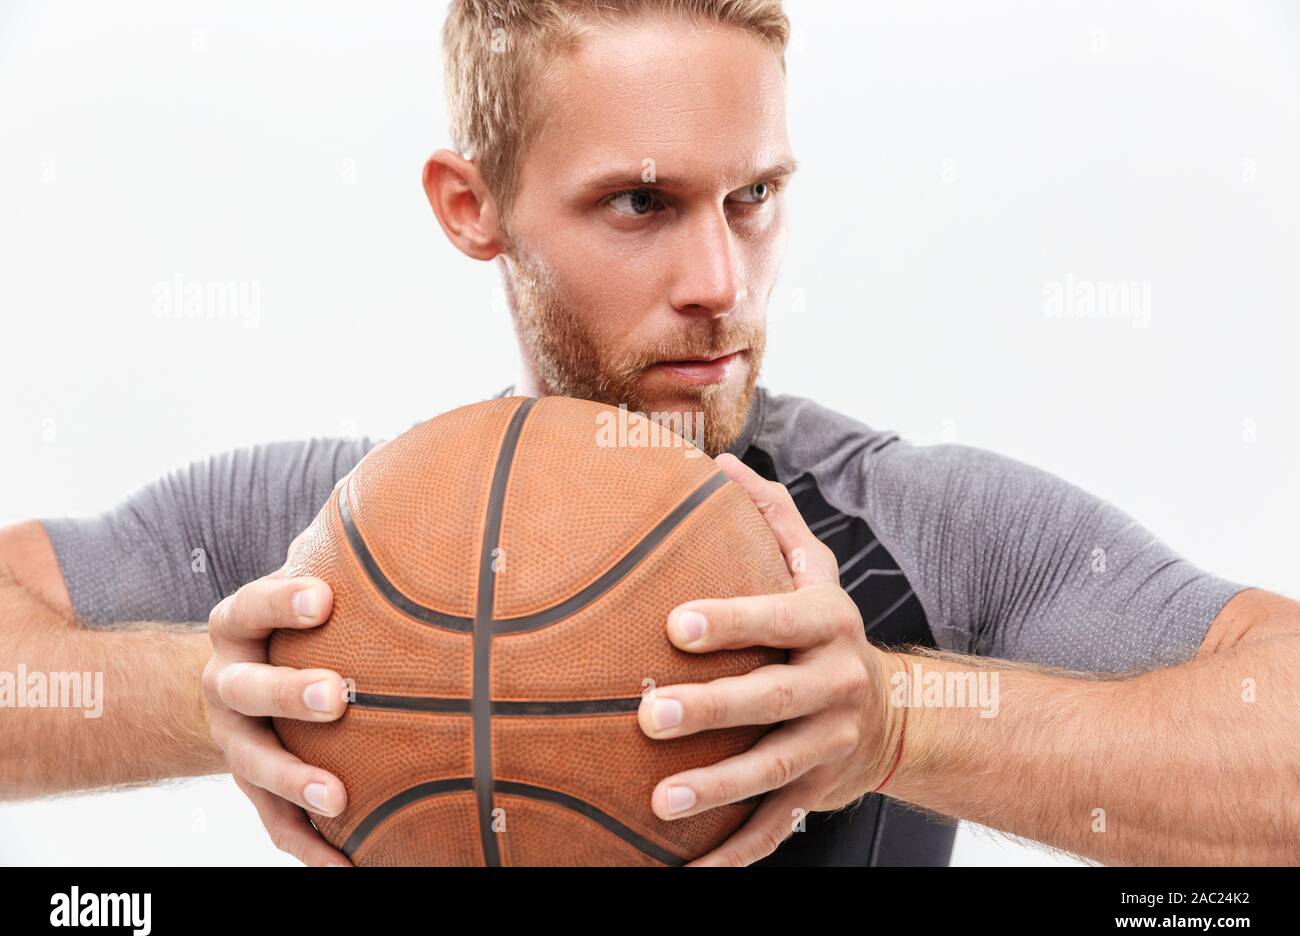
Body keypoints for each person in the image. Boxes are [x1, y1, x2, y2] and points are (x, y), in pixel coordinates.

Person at [3, 0, 1297, 867]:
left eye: (754, 199)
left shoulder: (908, 525)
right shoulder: (331, 548)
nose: (720, 281)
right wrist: (220, 694)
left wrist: (899, 723)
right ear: (473, 204)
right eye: (640, 202)